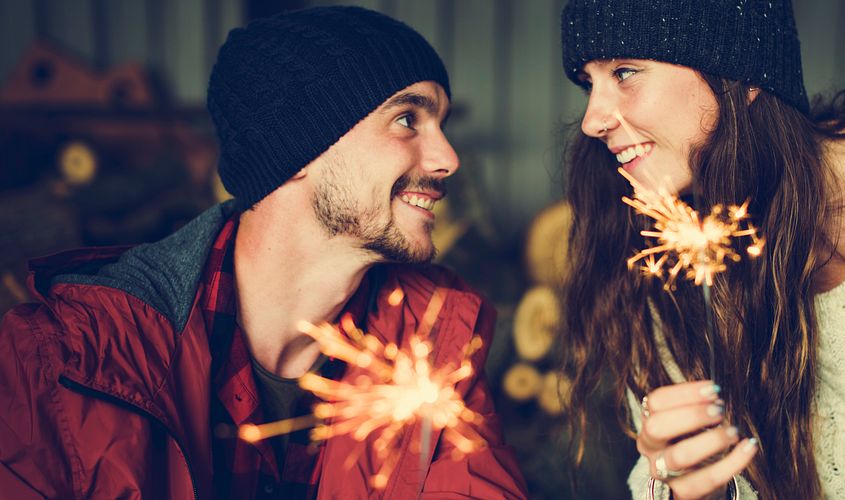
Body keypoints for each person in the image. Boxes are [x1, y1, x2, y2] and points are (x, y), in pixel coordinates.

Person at [0, 6, 527, 499]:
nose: (448, 158)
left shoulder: (436, 341)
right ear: (299, 149)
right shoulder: (64, 359)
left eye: (442, 125)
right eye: (408, 119)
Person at [559, 0, 845, 498]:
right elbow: (662, 474)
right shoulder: (656, 245)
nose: (593, 120)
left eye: (624, 71)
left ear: (745, 76)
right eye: (588, 83)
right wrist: (685, 487)